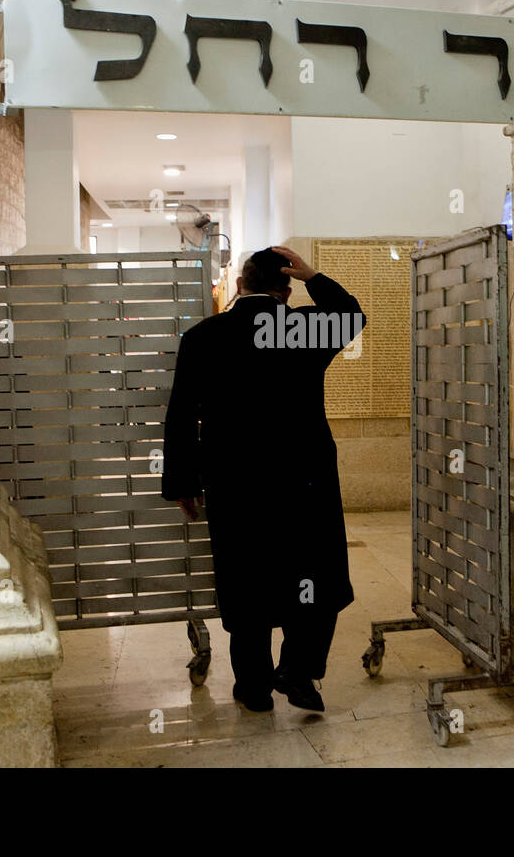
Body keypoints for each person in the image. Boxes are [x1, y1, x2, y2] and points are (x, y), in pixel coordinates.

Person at [163, 245, 365, 713]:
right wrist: (316, 277)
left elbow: (180, 417)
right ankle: (298, 668)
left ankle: (253, 687)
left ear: (239, 286)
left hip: (235, 485)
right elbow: (351, 316)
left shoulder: (203, 337)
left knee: (246, 579)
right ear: (287, 289)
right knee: (312, 575)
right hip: (304, 484)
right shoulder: (302, 329)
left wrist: (184, 483)